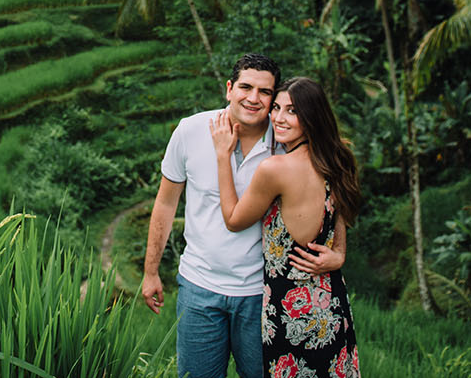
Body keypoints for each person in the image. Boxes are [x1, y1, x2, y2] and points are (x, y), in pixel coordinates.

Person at [142, 56, 346, 378]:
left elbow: (332, 192)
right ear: (229, 89)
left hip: (260, 294)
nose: (253, 98)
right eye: (245, 87)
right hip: (199, 287)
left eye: (264, 92)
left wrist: (339, 253)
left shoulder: (286, 141)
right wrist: (151, 270)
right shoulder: (191, 130)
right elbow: (166, 203)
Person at [211, 77, 361, 378]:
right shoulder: (336, 159)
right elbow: (339, 217)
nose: (278, 118)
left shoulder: (275, 169)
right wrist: (340, 254)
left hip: (292, 312)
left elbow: (234, 219)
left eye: (291, 111)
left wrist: (222, 155)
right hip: (331, 303)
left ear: (311, 116)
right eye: (276, 107)